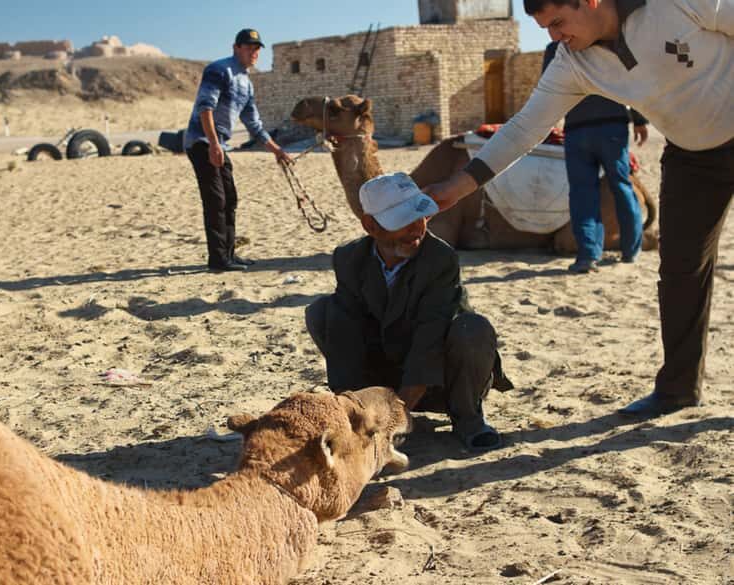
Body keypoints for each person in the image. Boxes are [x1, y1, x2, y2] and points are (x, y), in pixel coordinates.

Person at [422, 0, 733, 418]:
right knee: (680, 270)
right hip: (692, 158)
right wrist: (459, 186)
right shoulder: (573, 62)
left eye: (557, 22)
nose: (553, 36)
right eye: (545, 27)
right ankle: (678, 389)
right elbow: (523, 129)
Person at [305, 173, 513, 451]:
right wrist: (353, 410)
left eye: (422, 217)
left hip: (442, 377)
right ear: (371, 225)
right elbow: (346, 334)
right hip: (386, 375)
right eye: (403, 222)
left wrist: (396, 415)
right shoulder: (348, 258)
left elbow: (431, 334)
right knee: (322, 312)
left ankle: (468, 418)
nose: (416, 229)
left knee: (472, 328)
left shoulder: (440, 259)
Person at [184, 28, 292, 272]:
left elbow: (254, 124)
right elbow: (205, 107)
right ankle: (218, 259)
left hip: (220, 144)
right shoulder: (219, 70)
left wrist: (276, 150)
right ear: (236, 48)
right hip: (202, 141)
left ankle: (229, 254)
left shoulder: (246, 83)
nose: (254, 52)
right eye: (249, 47)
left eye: (257, 48)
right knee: (216, 200)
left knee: (230, 199)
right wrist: (212, 143)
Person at [542, 40, 649, 274]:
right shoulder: (611, 42)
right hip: (612, 126)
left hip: (577, 129)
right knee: (621, 186)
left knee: (582, 192)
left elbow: (548, 90)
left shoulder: (556, 49)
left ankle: (588, 256)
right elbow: (634, 79)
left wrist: (544, 125)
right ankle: (631, 251)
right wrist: (640, 120)